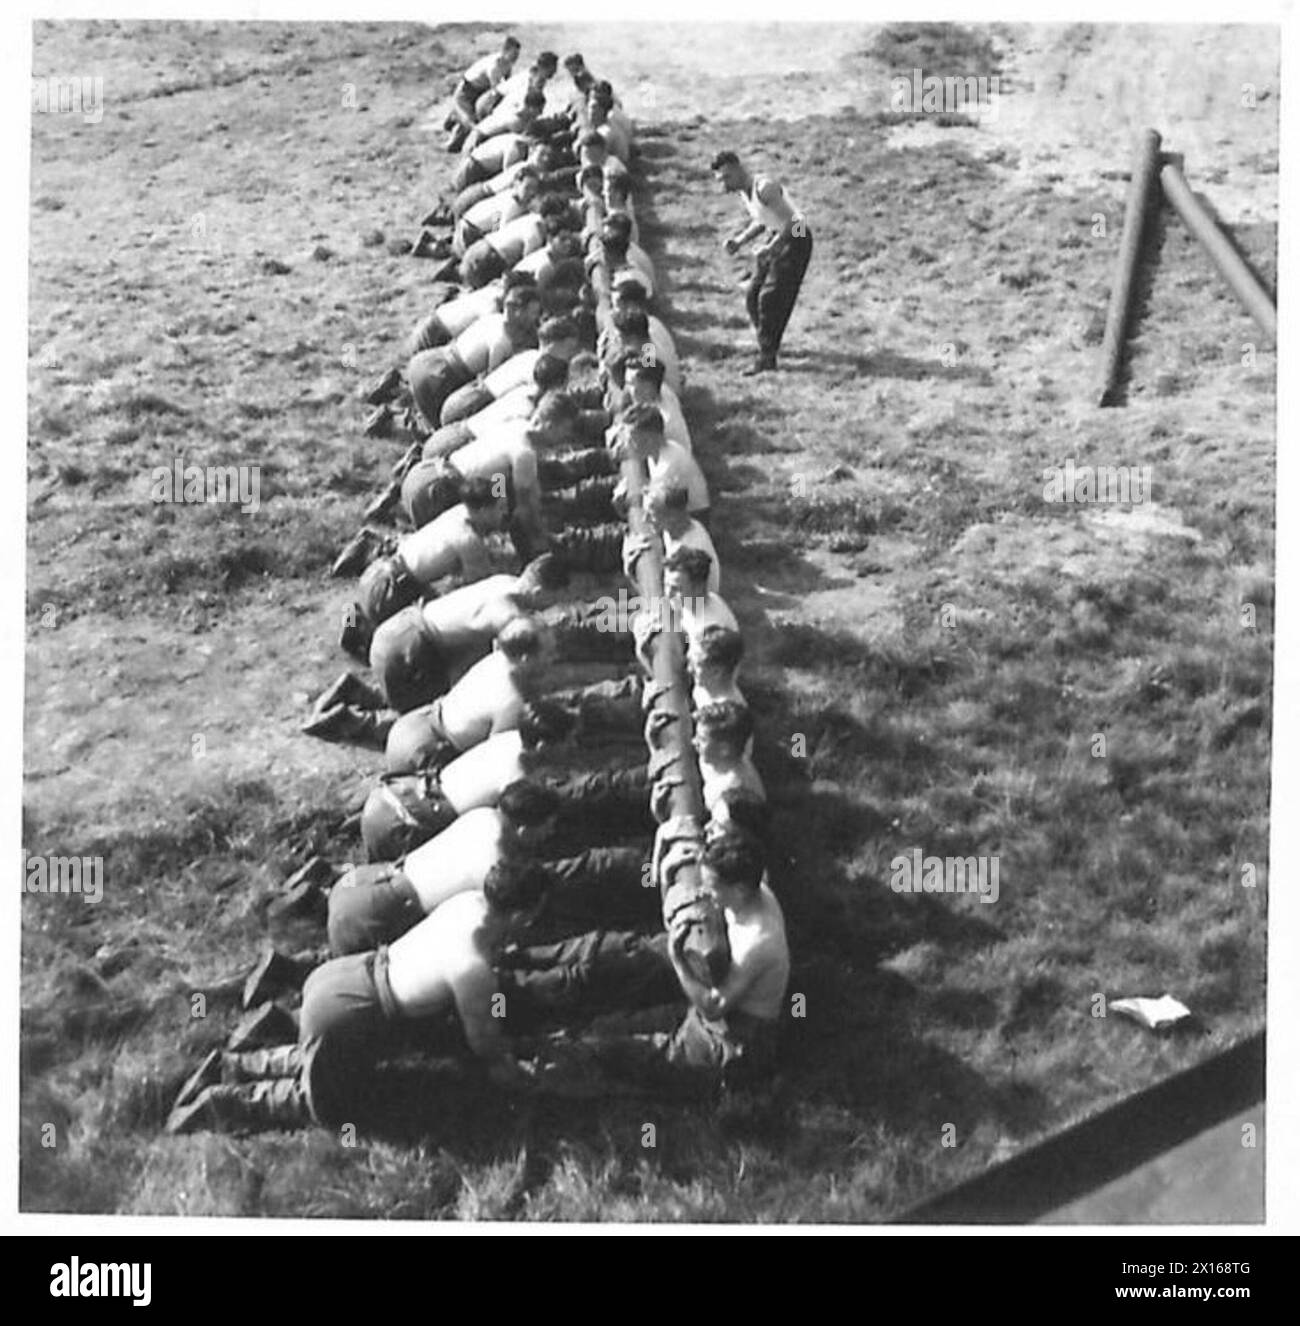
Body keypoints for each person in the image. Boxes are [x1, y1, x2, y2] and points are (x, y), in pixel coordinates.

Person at [163, 864, 550, 1134]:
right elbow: (483, 1042)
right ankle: (215, 1103)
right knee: (328, 1104)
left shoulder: (468, 902)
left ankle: (233, 1065)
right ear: (523, 912)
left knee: (329, 1057)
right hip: (350, 1012)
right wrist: (516, 1065)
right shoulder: (473, 967)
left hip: (345, 973)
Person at [527, 828, 790, 1098]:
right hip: (717, 1003)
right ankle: (555, 1040)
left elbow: (713, 1007)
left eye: (712, 887)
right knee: (618, 1017)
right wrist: (669, 871)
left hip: (736, 1038)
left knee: (631, 1055)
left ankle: (542, 1072)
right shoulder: (752, 891)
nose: (706, 892)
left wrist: (678, 959)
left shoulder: (757, 941)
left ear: (740, 889)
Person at [328, 779, 562, 954]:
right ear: (523, 829)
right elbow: (502, 930)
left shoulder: (483, 816)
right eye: (547, 826)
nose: (551, 833)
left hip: (360, 880)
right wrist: (499, 1004)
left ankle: (320, 899)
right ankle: (319, 962)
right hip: (377, 915)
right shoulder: (495, 867)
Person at [367, 555, 568, 713]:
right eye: (553, 600)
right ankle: (360, 720)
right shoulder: (508, 615)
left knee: (473, 652)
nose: (550, 607)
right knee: (426, 708)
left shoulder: (504, 581)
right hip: (407, 651)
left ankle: (360, 691)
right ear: (538, 593)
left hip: (397, 626)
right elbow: (509, 671)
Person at [343, 481, 507, 643]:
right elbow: (481, 588)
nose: (503, 513)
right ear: (484, 510)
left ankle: (353, 614)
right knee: (420, 631)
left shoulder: (458, 512)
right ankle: (362, 629)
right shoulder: (469, 540)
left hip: (376, 573)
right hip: (390, 593)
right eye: (499, 508)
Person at [711, 149, 813, 375]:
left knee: (770, 299)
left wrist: (773, 247)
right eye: (720, 180)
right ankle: (768, 344)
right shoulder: (745, 192)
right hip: (776, 238)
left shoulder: (764, 188)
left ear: (739, 169)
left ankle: (767, 357)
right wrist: (739, 241)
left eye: (727, 177)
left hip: (796, 240)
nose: (724, 185)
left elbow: (797, 223)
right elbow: (763, 220)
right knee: (752, 297)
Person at [406, 282, 541, 428]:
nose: (535, 318)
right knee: (440, 426)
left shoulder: (493, 318)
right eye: (533, 312)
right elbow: (492, 376)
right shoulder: (502, 340)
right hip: (440, 377)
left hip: (429, 359)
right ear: (517, 311)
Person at [614, 404, 709, 523]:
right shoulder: (660, 451)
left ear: (650, 439)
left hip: (692, 518)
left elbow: (658, 508)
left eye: (632, 439)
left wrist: (631, 501)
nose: (628, 444)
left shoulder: (668, 467)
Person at [445, 36, 521, 151]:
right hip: (465, 93)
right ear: (505, 51)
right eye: (513, 55)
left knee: (481, 114)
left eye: (517, 56)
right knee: (471, 124)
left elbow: (507, 84)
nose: (516, 58)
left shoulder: (508, 65)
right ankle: (454, 128)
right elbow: (497, 91)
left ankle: (458, 117)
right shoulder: (494, 66)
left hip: (479, 92)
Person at [692, 700, 764, 815]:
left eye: (702, 739)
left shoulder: (732, 795)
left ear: (724, 750)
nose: (694, 741)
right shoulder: (715, 760)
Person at [662, 546, 736, 647]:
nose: (668, 594)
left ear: (698, 588)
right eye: (666, 585)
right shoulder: (691, 604)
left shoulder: (708, 632)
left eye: (676, 589)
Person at [686, 624, 746, 710]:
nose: (689, 669)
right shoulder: (706, 684)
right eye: (689, 661)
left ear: (716, 672)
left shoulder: (724, 713)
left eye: (695, 666)